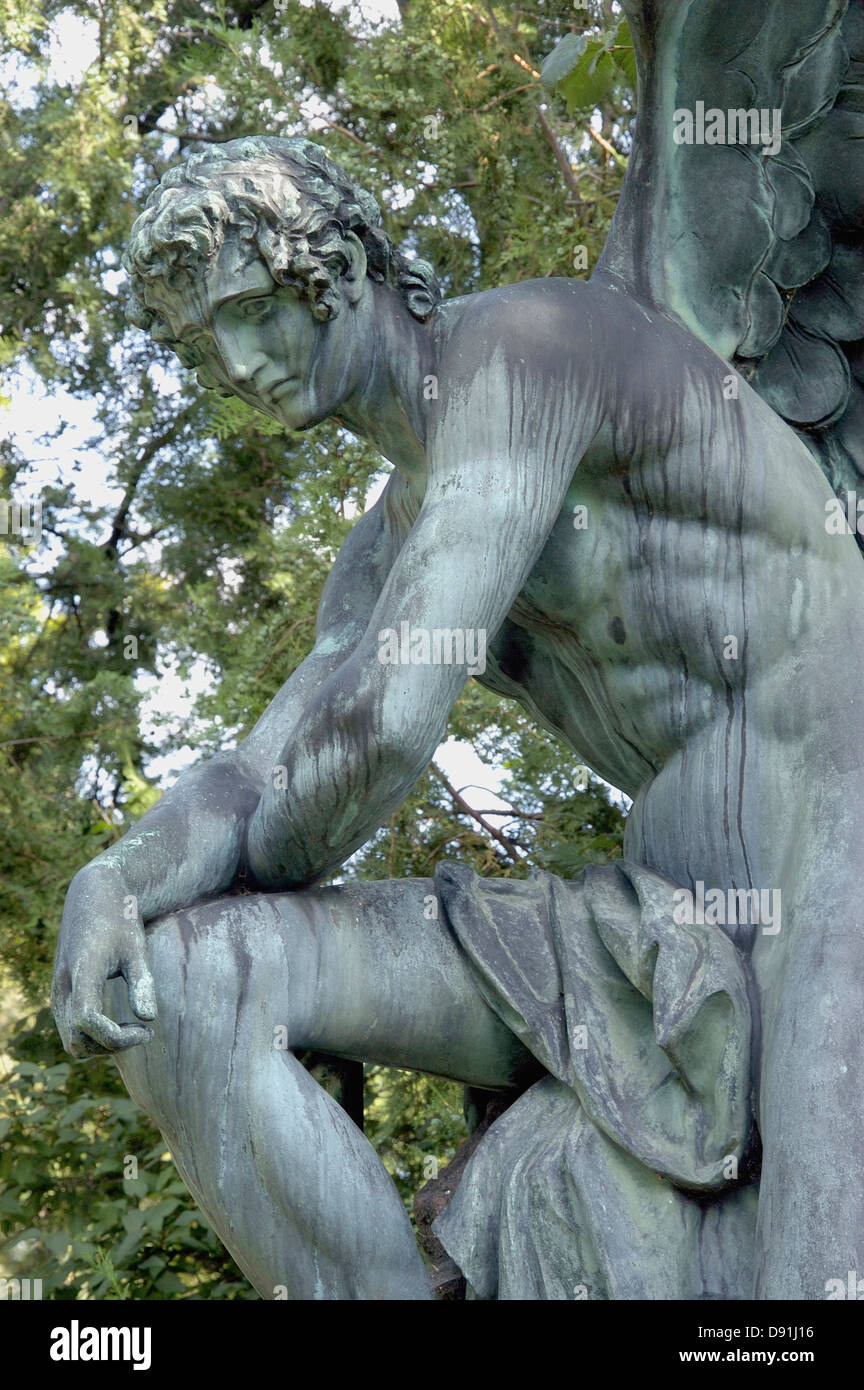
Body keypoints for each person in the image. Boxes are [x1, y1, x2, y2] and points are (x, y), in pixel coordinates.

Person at [52, 136, 864, 1299]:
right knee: (188, 982)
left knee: (819, 1270)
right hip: (663, 906)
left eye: (253, 309)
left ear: (333, 263)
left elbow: (383, 728)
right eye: (206, 343)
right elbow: (254, 771)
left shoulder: (529, 353)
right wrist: (121, 879)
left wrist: (266, 852)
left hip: (836, 827)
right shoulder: (382, 554)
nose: (238, 363)